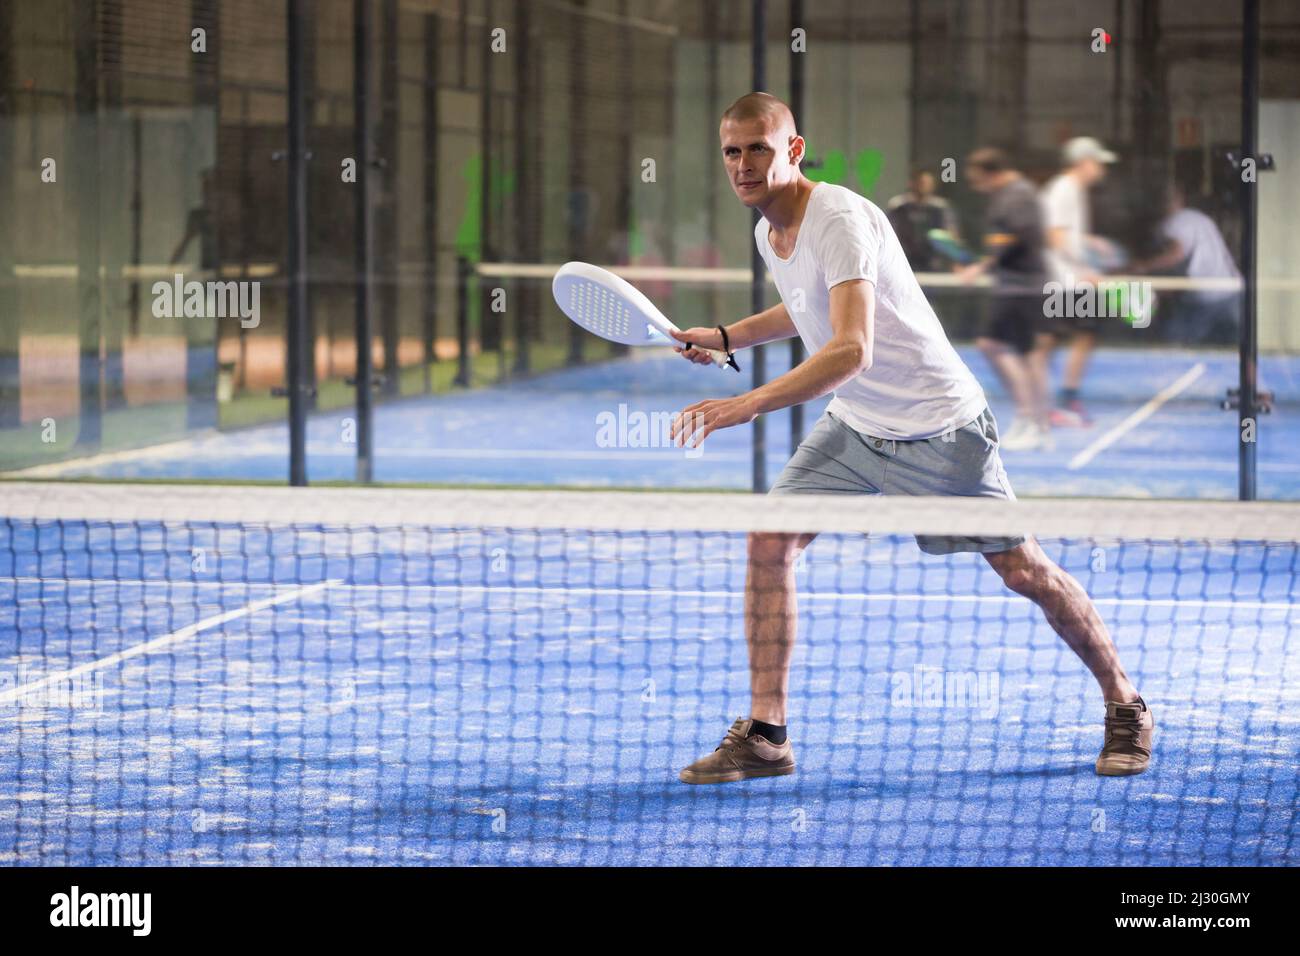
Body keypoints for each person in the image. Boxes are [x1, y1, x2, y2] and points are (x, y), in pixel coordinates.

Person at [667, 93, 1152, 784]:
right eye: (732, 151)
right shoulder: (769, 230)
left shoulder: (836, 217)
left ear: (794, 151)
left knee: (1025, 571)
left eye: (759, 149)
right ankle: (767, 735)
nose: (743, 165)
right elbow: (808, 306)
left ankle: (1126, 704)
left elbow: (850, 350)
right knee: (769, 541)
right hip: (860, 426)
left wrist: (750, 402)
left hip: (938, 425)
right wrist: (725, 337)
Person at [956, 148, 1053, 451]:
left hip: (1021, 289)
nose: (976, 188)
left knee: (995, 345)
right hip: (1021, 286)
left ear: (991, 174)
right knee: (1026, 355)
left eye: (977, 180)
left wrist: (981, 266)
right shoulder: (1017, 194)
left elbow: (1012, 238)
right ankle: (1037, 425)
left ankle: (1032, 421)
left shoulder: (1017, 196)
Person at [1037, 136, 1118, 427]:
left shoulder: (1071, 190)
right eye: (1098, 162)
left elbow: (1064, 233)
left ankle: (1050, 402)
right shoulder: (1064, 189)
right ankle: (1057, 402)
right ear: (1084, 163)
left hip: (1065, 279)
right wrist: (1085, 269)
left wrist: (1090, 241)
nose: (1101, 169)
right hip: (1065, 281)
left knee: (1058, 339)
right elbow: (1055, 237)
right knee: (1060, 339)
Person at [1132, 183, 1242, 345]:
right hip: (1232, 289)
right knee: (1238, 345)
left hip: (1205, 295)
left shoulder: (1172, 223)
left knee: (1173, 342)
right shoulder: (1199, 217)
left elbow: (1176, 254)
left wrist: (1143, 266)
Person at [885, 168, 960, 273]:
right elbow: (889, 234)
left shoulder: (940, 208)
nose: (924, 187)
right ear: (912, 183)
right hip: (905, 260)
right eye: (921, 183)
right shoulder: (899, 206)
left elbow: (951, 235)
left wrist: (956, 260)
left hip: (934, 262)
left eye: (928, 183)